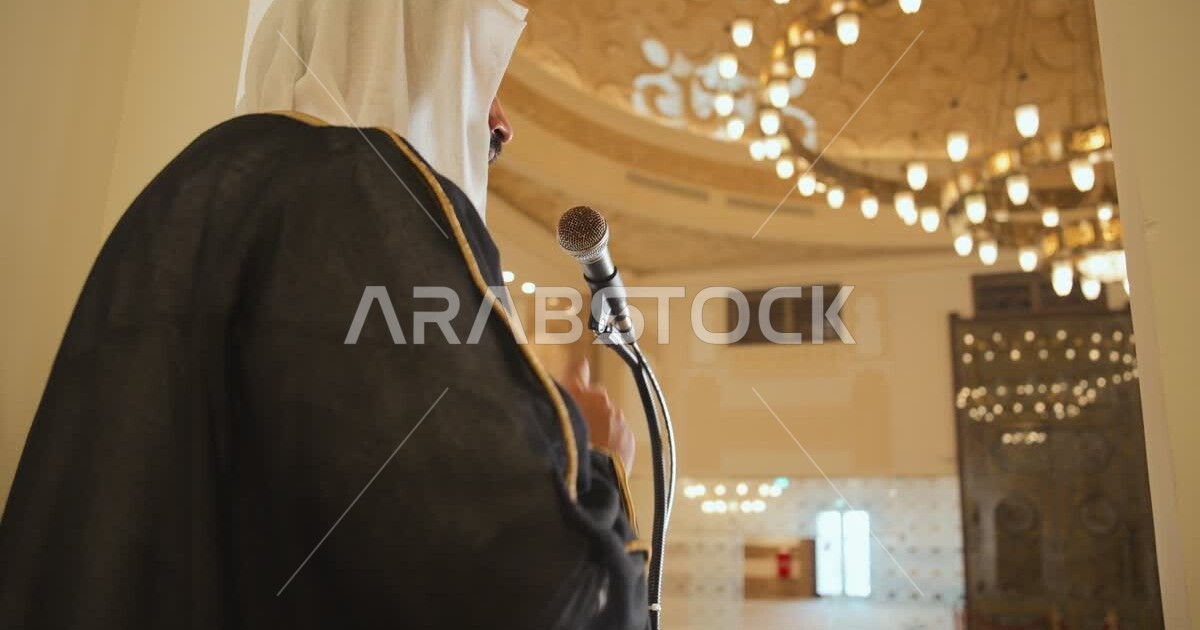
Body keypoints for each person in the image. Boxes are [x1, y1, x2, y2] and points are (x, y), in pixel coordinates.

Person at [0, 1, 646, 628]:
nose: (502, 125)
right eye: (477, 71)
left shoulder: (207, 185)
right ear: (407, 48)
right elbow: (516, 587)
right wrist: (588, 456)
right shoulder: (357, 195)